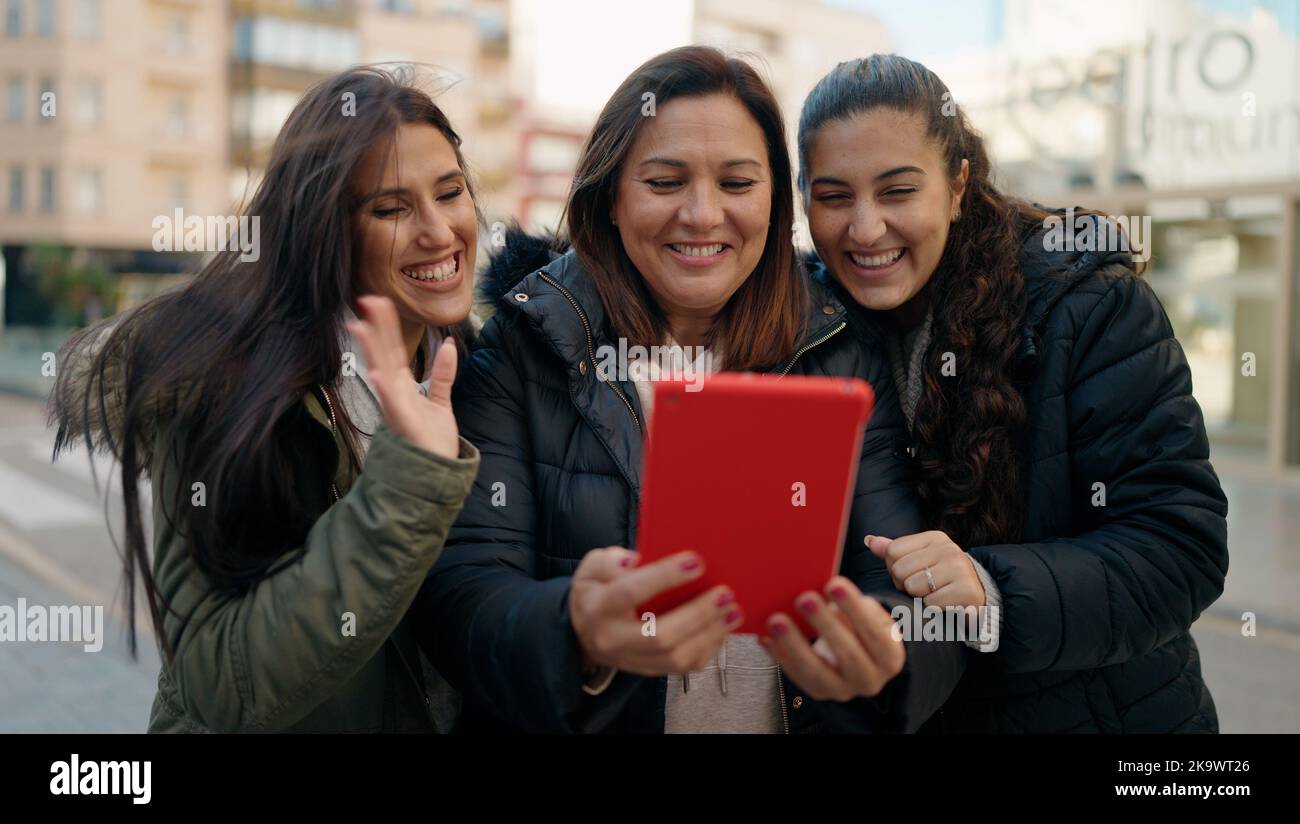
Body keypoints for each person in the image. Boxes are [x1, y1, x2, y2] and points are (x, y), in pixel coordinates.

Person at [413, 46, 964, 734]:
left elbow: (912, 584)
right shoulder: (524, 349)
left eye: (737, 183)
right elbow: (463, 596)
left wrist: (891, 655)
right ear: (612, 198)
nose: (703, 215)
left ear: (775, 201)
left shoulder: (840, 349)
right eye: (665, 182)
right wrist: (574, 633)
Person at [797, 53, 1229, 732]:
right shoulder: (807, 326)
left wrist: (991, 588)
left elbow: (1179, 551)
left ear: (958, 186)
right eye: (833, 197)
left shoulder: (1089, 307)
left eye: (898, 191)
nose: (866, 228)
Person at [48, 66, 482, 732]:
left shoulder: (485, 368)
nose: (439, 230)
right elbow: (218, 684)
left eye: (450, 192)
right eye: (391, 209)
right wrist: (404, 489)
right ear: (324, 230)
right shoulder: (227, 388)